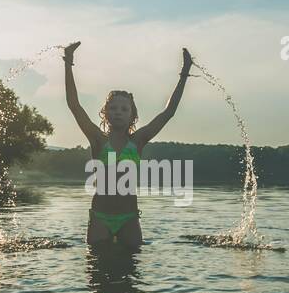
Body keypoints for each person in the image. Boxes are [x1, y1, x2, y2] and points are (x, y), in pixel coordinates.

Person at [63, 41, 192, 248]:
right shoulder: (98, 139)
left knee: (130, 272)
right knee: (98, 270)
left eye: (124, 109)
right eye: (113, 108)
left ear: (132, 115)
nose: (118, 112)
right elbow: (74, 105)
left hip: (129, 217)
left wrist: (185, 73)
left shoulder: (138, 141)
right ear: (106, 113)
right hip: (100, 216)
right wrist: (68, 62)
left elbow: (168, 112)